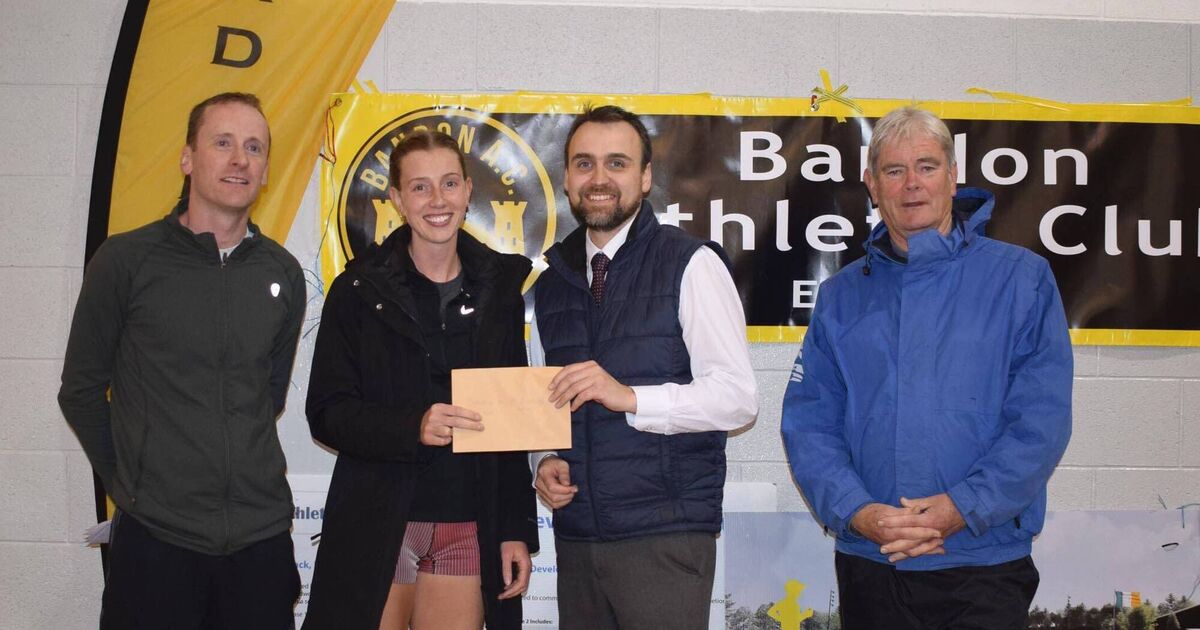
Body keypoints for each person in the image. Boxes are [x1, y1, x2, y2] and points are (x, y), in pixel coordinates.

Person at [781, 106, 1073, 630]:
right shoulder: (840, 298)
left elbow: (1040, 421)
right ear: (872, 185)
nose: (911, 184)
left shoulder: (1022, 280)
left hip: (983, 563)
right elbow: (810, 426)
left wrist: (963, 507)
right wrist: (859, 513)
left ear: (953, 175)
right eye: (894, 171)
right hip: (873, 564)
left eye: (926, 166)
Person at [58, 92, 306, 629]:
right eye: (223, 143)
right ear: (188, 159)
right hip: (157, 542)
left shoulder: (283, 273)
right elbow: (79, 391)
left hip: (259, 543)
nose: (240, 159)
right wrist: (131, 486)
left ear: (265, 171)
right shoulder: (126, 261)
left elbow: (267, 396)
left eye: (254, 147)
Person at [530, 104, 758, 629]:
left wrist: (632, 397)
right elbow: (545, 394)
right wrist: (543, 460)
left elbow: (738, 399)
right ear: (566, 178)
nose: (599, 179)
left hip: (665, 537)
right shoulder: (552, 278)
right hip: (579, 538)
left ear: (646, 176)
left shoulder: (692, 263)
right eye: (584, 164)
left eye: (617, 163)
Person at [303, 130, 538, 630]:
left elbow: (514, 423)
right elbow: (326, 412)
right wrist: (412, 425)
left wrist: (516, 529)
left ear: (468, 191)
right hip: (381, 520)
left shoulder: (501, 292)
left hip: (469, 525)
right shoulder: (356, 291)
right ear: (396, 199)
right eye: (420, 187)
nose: (438, 201)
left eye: (450, 183)